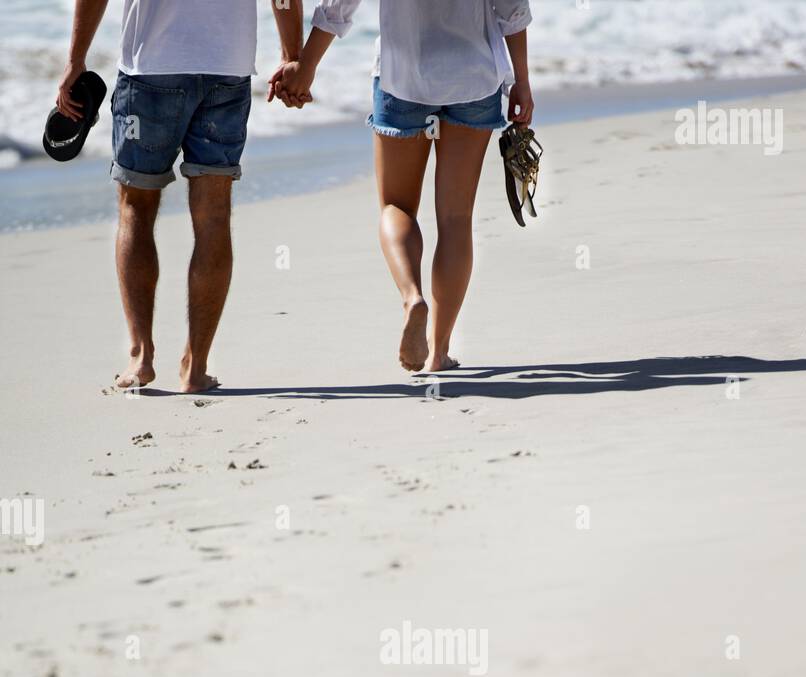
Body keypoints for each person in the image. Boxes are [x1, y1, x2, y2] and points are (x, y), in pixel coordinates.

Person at [56, 1, 308, 392]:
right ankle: (196, 366)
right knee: (213, 214)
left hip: (151, 69)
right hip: (227, 68)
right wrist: (293, 57)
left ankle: (141, 358)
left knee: (136, 208)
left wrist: (76, 59)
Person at [272, 1, 534, 373]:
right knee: (456, 218)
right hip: (474, 79)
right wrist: (521, 81)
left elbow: (339, 5)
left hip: (402, 79)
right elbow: (512, 9)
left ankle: (412, 297)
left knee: (396, 207)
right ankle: (438, 352)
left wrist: (305, 64)